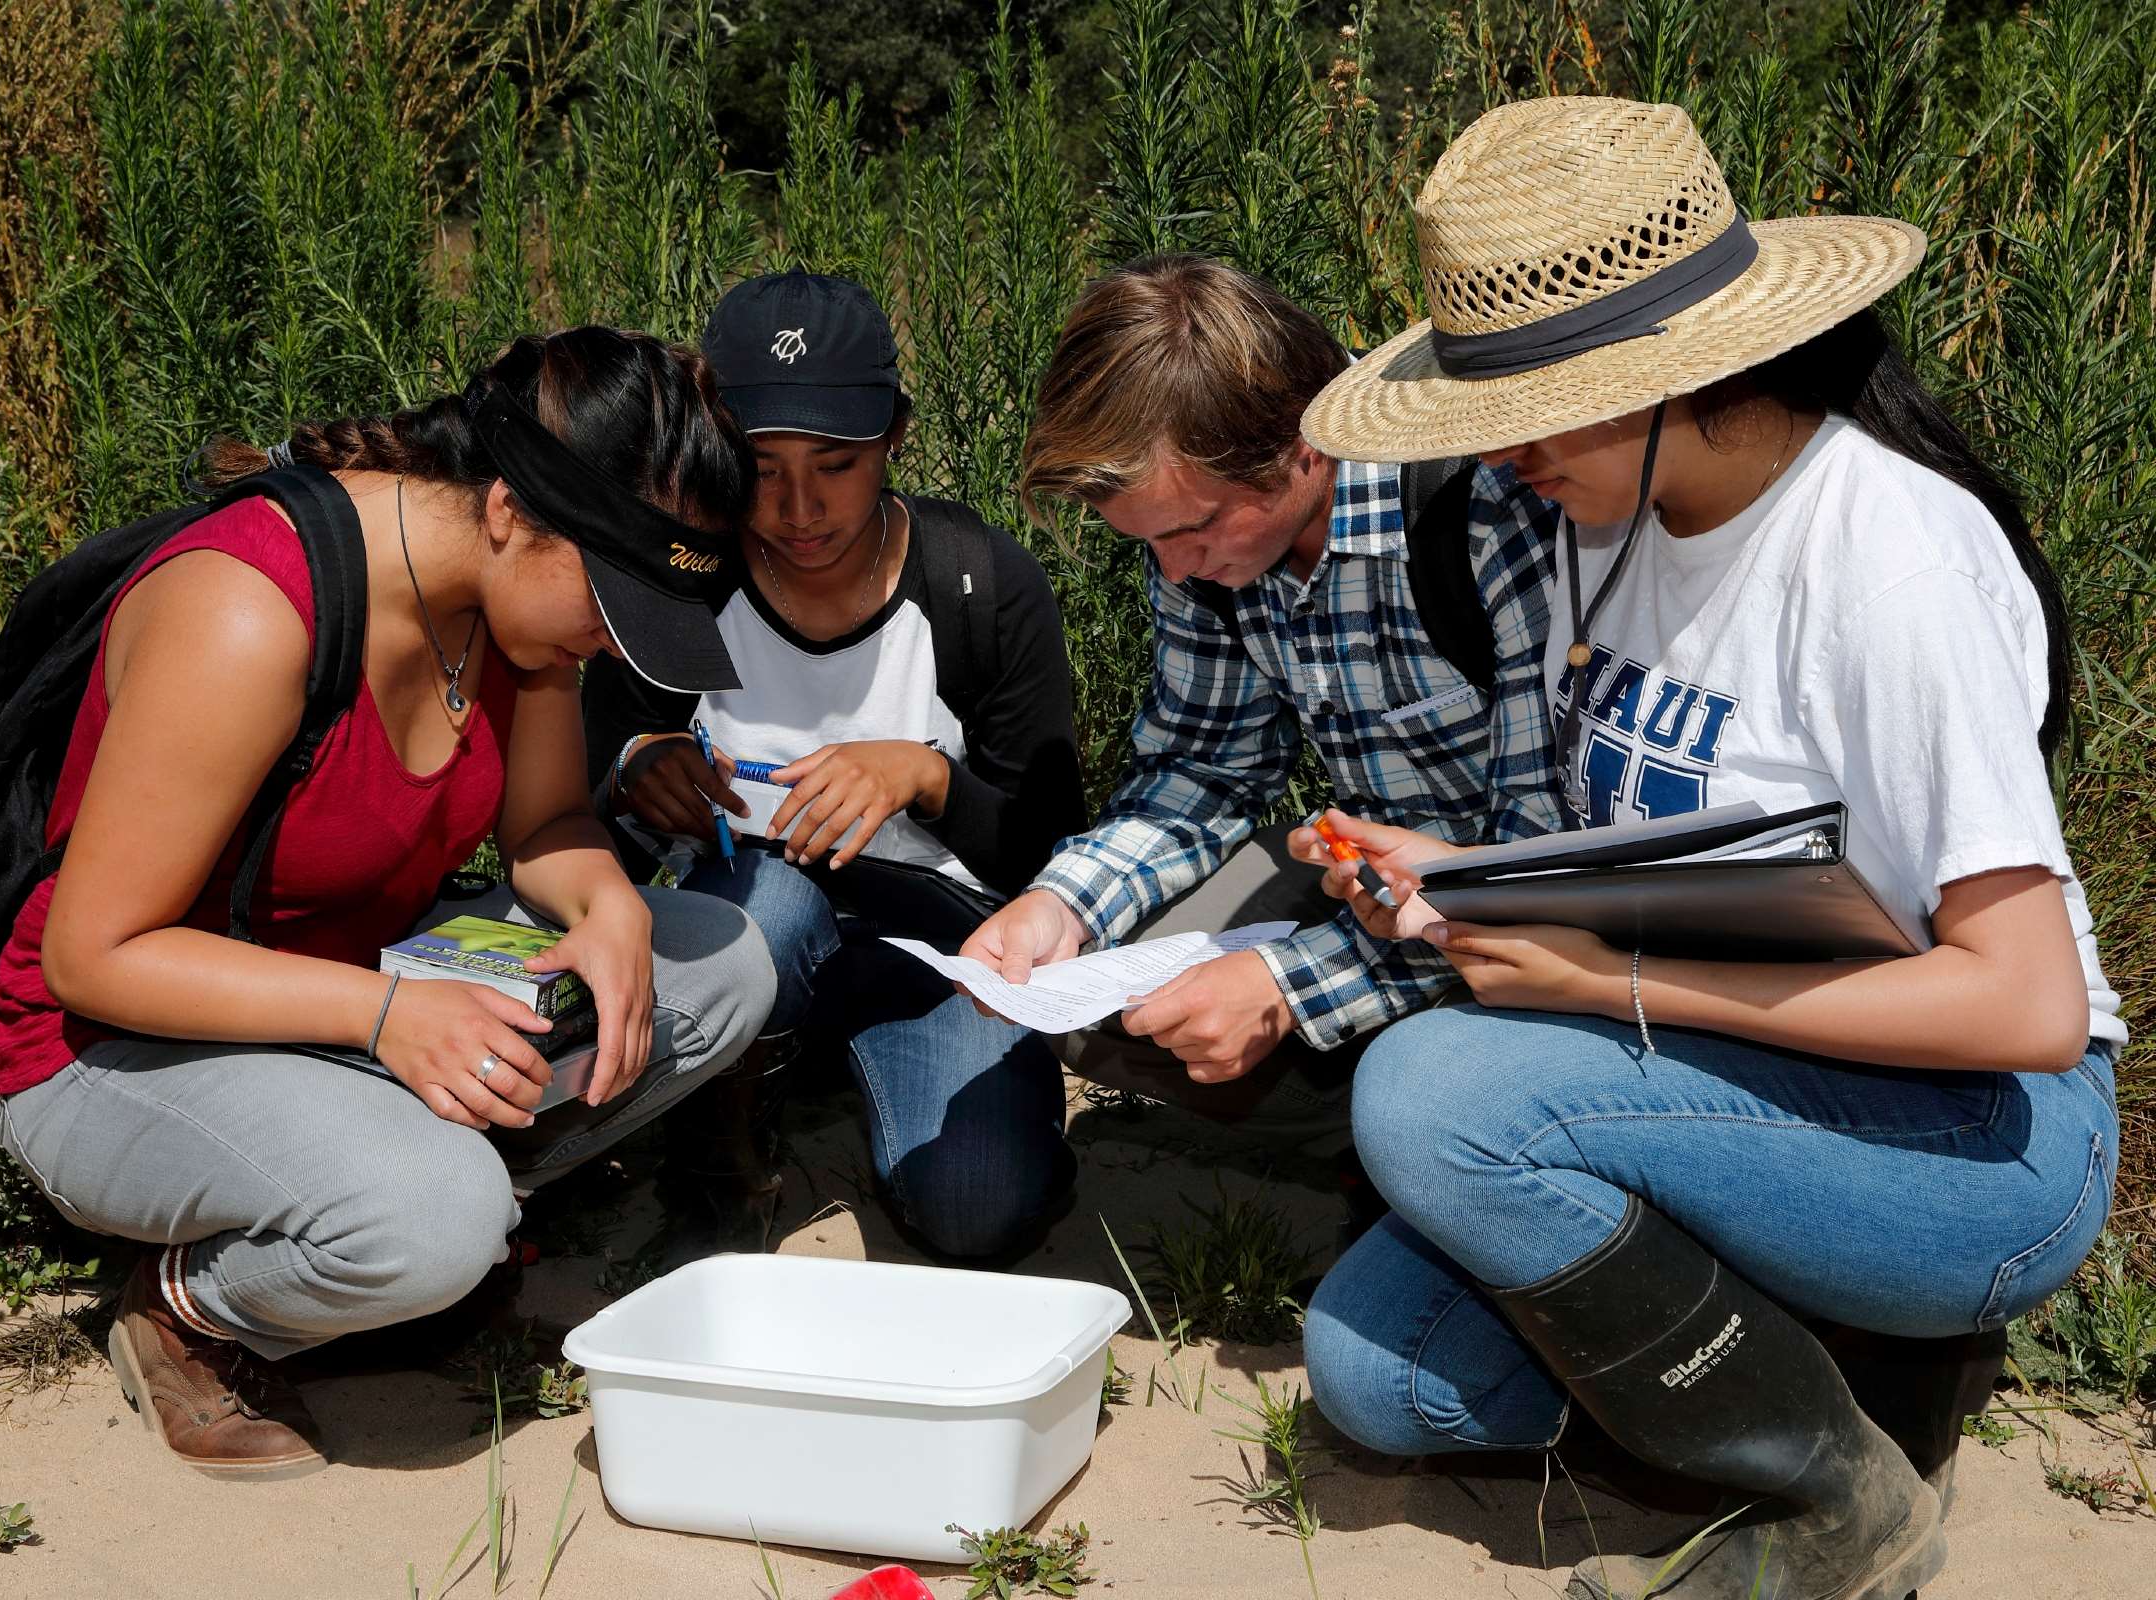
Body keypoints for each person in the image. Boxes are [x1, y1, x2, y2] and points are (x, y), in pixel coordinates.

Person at [1290, 97, 2122, 1600]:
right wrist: (1465, 884)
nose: (1503, 457)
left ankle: (1833, 1500)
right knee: (1378, 1374)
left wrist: (1600, 984)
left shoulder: (1887, 562)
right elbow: (1699, 867)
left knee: (1428, 1092)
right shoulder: (1611, 518)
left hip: (1984, 1136)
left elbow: (2028, 1008)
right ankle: (1837, 1353)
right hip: (1759, 1079)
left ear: (1673, 377)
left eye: (1527, 413)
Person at [0, 330, 777, 1481]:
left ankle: (398, 1207)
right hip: (112, 1049)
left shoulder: (521, 615)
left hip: (354, 996)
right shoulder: (254, 612)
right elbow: (94, 956)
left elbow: (548, 826)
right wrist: (388, 1015)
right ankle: (191, 1304)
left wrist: (609, 906)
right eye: (612, 606)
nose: (614, 645)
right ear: (509, 510)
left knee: (721, 958)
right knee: (433, 1218)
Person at [957, 255, 1563, 1160]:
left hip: (1532, 904)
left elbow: (1542, 861)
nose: (1171, 568)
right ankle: (1377, 1122)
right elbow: (1202, 768)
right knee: (1096, 993)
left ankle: (1448, 1135)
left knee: (1366, 1043)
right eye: (1148, 541)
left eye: (1190, 529)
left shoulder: (1482, 514)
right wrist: (1062, 904)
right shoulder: (1209, 563)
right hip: (1364, 881)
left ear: (1299, 444)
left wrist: (1290, 984)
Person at [584, 272, 1085, 1260]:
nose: (798, 506)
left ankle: (847, 1072)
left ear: (895, 436)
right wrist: (641, 764)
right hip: (751, 942)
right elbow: (588, 762)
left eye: (838, 462)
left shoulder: (981, 585)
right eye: (759, 466)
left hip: (942, 964)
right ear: (710, 450)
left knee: (984, 1209)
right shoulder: (681, 586)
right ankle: (717, 1173)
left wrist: (927, 777)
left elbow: (1051, 845)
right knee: (770, 905)